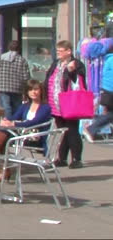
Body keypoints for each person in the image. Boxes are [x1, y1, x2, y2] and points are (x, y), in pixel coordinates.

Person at [0, 79, 51, 182]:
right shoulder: (25, 106)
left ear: (41, 91)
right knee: (1, 132)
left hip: (35, 137)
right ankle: (2, 165)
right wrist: (6, 121)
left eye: (36, 89)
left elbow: (34, 122)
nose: (33, 92)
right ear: (27, 92)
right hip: (22, 134)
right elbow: (14, 117)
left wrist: (14, 124)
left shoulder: (45, 107)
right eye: (30, 90)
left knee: (2, 135)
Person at [46, 40, 86, 169]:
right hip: (55, 104)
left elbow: (79, 82)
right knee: (63, 131)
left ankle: (76, 159)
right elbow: (48, 79)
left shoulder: (76, 64)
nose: (58, 53)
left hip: (70, 103)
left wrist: (72, 71)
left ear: (69, 51)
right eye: (57, 50)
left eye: (60, 51)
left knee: (72, 130)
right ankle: (62, 158)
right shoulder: (55, 64)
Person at [0, 40, 31, 120]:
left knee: (6, 108)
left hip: (3, 88)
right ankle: (16, 125)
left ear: (8, 48)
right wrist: (24, 88)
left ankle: (8, 126)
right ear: (19, 49)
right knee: (17, 109)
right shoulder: (22, 60)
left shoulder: (0, 59)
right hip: (17, 89)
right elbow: (26, 77)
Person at [83, 48, 113, 143]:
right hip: (110, 91)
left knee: (110, 114)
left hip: (107, 91)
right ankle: (91, 128)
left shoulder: (108, 60)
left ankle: (93, 124)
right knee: (110, 115)